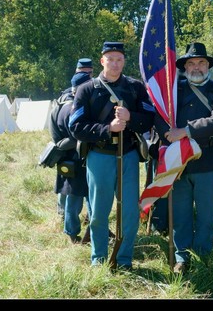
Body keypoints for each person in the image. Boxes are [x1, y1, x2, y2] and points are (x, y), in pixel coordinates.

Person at [69, 41, 155, 269]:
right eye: (110, 59)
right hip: (100, 156)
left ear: (124, 61)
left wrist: (130, 118)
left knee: (129, 213)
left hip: (128, 156)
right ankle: (98, 259)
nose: (115, 64)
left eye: (119, 59)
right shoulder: (87, 89)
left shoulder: (136, 88)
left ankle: (124, 259)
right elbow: (75, 126)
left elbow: (149, 119)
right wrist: (107, 130)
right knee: (98, 212)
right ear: (102, 61)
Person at [155, 42, 213, 274]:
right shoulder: (173, 90)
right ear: (184, 66)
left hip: (208, 160)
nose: (196, 67)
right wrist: (167, 134)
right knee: (181, 213)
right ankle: (182, 257)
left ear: (208, 65)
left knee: (207, 215)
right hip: (179, 161)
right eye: (191, 63)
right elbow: (159, 115)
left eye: (201, 62)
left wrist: (185, 131)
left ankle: (204, 255)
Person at [51, 71, 92, 243]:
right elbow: (79, 135)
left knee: (73, 198)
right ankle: (74, 232)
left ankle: (77, 231)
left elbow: (54, 136)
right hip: (79, 158)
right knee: (82, 198)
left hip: (65, 159)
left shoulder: (58, 107)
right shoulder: (73, 109)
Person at [57, 57, 94, 218]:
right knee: (70, 189)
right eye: (83, 72)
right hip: (71, 149)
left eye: (89, 73)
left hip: (80, 150)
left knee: (80, 188)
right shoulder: (67, 98)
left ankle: (83, 217)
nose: (86, 75)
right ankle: (64, 217)